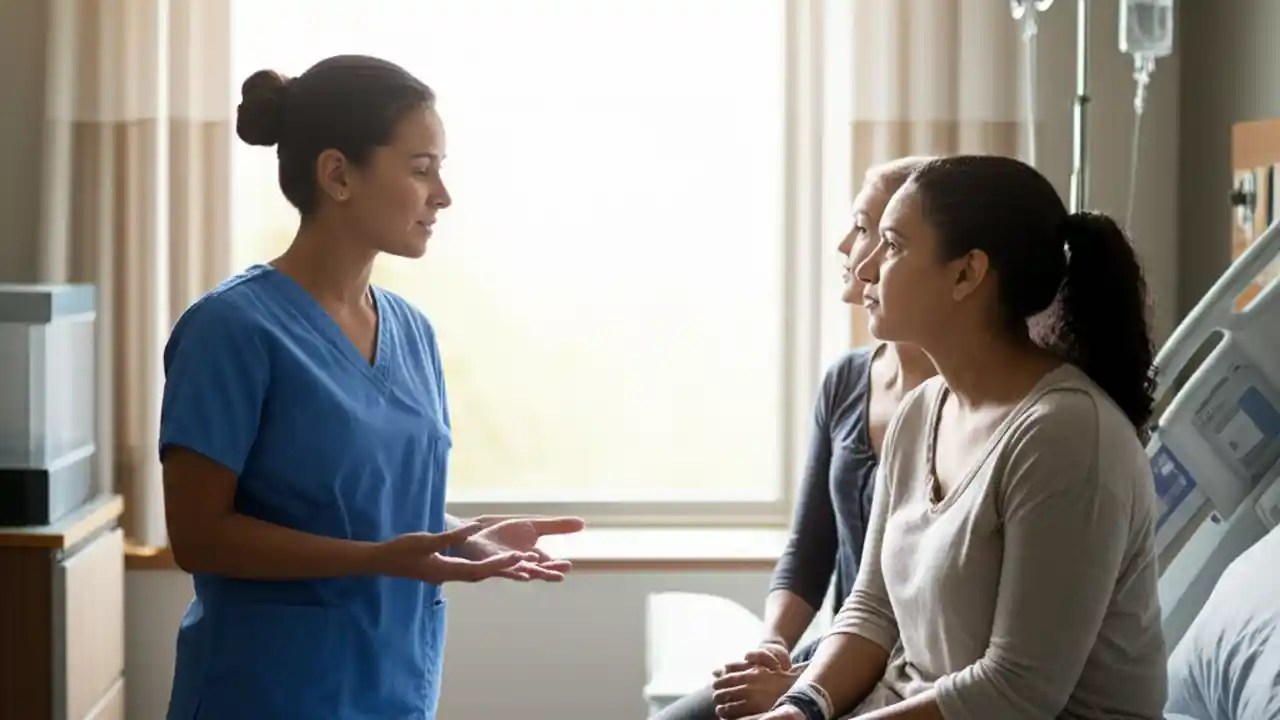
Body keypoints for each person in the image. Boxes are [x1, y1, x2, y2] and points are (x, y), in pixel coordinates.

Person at [157, 55, 584, 720]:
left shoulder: (413, 332)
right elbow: (199, 536)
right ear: (338, 175)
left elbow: (374, 512)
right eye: (421, 169)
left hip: (394, 687)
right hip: (267, 693)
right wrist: (380, 559)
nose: (442, 194)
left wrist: (465, 539)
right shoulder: (231, 330)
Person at [749, 155, 1167, 720]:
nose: (865, 266)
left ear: (966, 274)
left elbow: (1016, 691)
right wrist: (802, 707)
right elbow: (872, 609)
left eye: (892, 245)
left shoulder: (1066, 437)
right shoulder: (923, 411)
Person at [654, 157, 937, 720]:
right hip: (835, 656)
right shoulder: (846, 382)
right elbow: (810, 550)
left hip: (904, 676)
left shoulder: (970, 408)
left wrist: (804, 690)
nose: (845, 248)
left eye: (863, 231)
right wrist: (773, 647)